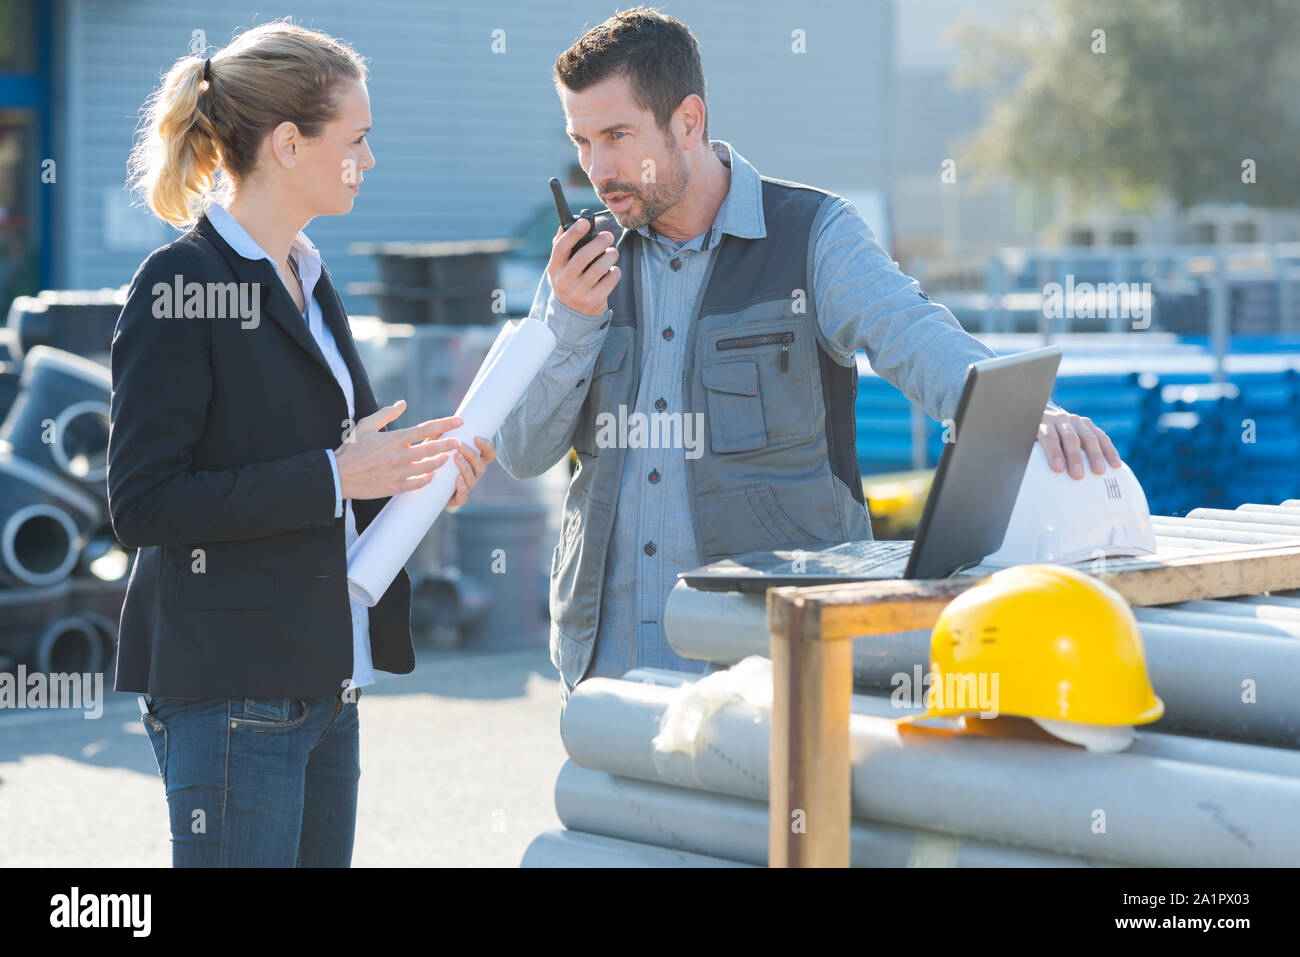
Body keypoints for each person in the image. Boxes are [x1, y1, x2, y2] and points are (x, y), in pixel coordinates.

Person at [495, 7, 1123, 703]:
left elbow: (912, 332)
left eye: (618, 136)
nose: (599, 169)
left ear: (689, 122)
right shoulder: (582, 263)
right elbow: (522, 451)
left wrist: (1010, 411)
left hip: (768, 665)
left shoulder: (811, 235)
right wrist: (575, 321)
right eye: (582, 141)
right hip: (606, 670)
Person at [110, 20, 495, 867]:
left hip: (325, 682)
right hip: (231, 691)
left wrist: (420, 478)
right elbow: (143, 503)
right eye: (354, 139)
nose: (367, 157)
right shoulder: (182, 282)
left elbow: (338, 476)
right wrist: (333, 473)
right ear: (288, 143)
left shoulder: (309, 276)